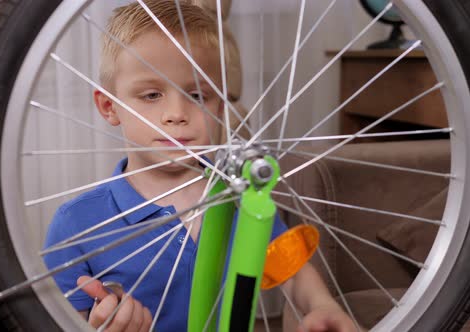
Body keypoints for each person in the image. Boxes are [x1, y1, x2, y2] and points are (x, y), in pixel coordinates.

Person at [44, 1, 355, 331]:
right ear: (109, 106)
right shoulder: (76, 222)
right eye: (152, 95)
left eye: (197, 96)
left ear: (219, 106)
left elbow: (291, 270)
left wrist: (322, 306)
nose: (177, 113)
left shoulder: (239, 192)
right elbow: (53, 321)